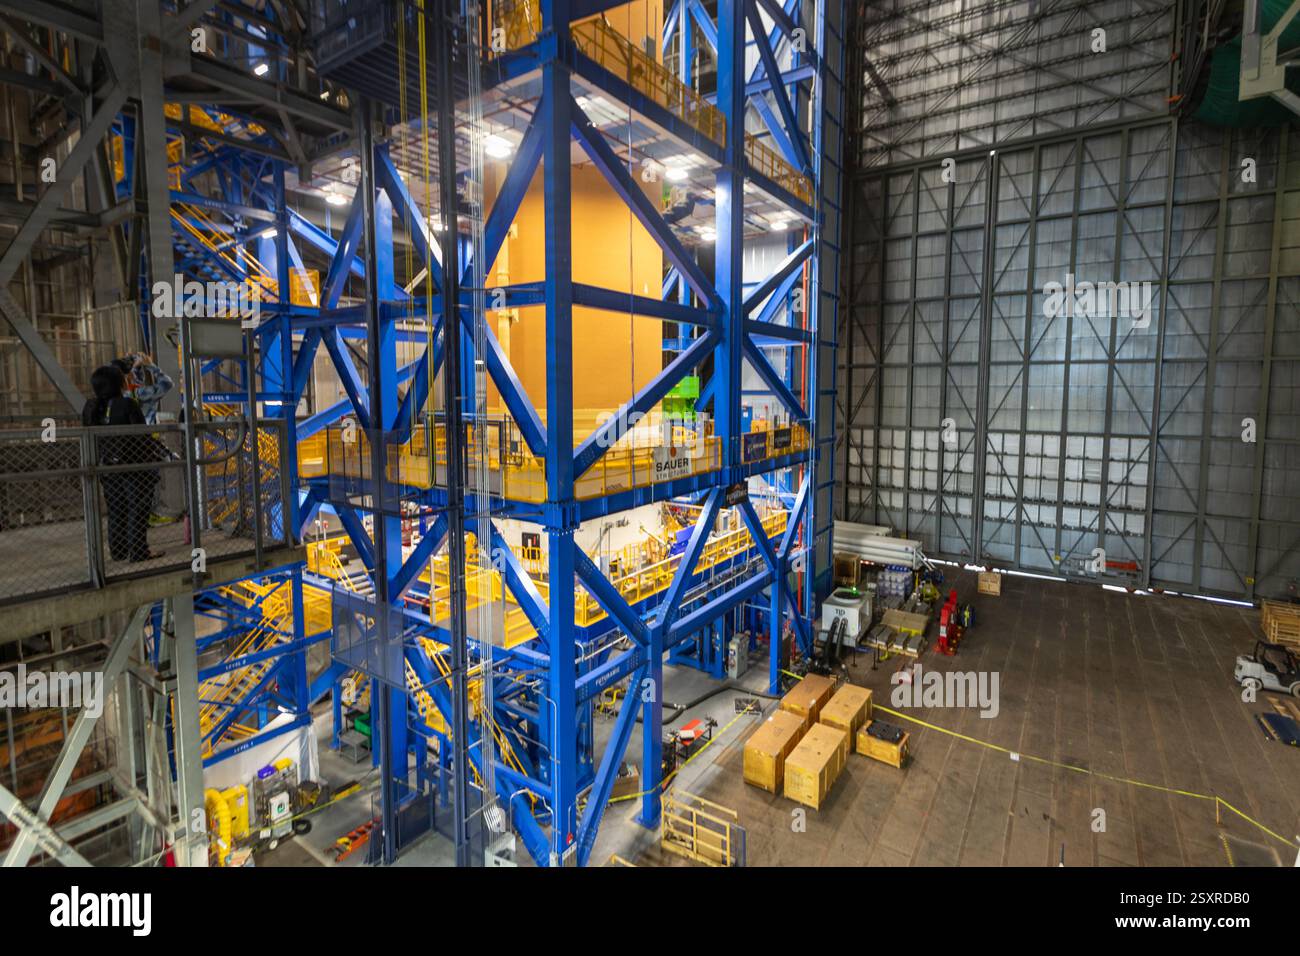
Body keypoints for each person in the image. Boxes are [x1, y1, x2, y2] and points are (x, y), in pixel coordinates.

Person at [82, 366, 163, 562]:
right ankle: (138, 551)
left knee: (116, 509)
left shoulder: (91, 408)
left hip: (107, 469)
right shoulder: (127, 404)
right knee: (138, 508)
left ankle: (118, 552)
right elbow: (142, 436)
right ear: (118, 384)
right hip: (133, 467)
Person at [111, 352, 173, 425]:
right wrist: (150, 365)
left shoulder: (113, 398)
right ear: (125, 378)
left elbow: (137, 384)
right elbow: (167, 384)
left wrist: (137, 367)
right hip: (147, 432)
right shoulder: (139, 394)